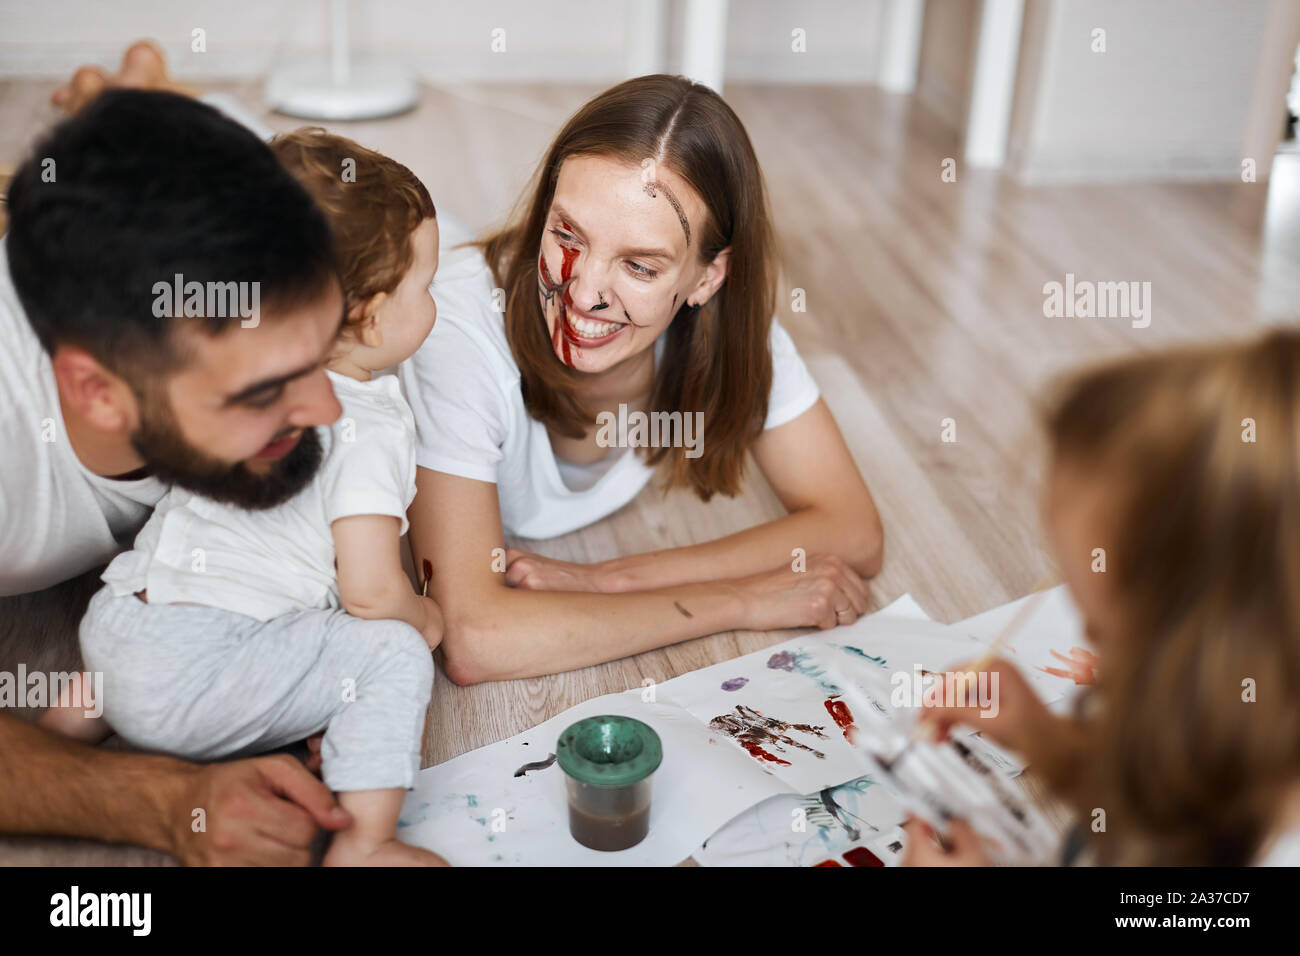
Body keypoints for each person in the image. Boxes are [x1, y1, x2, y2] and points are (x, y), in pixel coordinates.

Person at [40, 127, 447, 866]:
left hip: (115, 629)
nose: (435, 307)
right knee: (389, 653)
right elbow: (366, 591)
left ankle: (52, 741)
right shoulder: (373, 422)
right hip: (198, 672)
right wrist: (427, 617)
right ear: (375, 315)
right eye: (428, 287)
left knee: (175, 603)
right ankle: (365, 844)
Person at [402, 74, 886, 684]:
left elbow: (856, 531)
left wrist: (611, 578)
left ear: (708, 278)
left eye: (639, 265)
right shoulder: (455, 330)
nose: (584, 292)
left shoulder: (731, 333)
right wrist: (741, 600)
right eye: (567, 234)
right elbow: (476, 638)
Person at [0, 88, 351, 863]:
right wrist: (168, 802)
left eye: (324, 353)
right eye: (263, 393)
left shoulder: (260, 209)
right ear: (97, 391)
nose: (327, 409)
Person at [905, 331, 1300, 866]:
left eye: (1100, 632)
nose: (1087, 658)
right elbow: (1178, 789)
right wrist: (1043, 738)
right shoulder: (1247, 743)